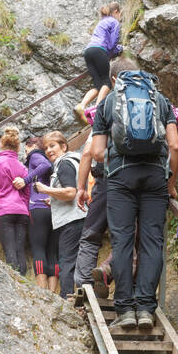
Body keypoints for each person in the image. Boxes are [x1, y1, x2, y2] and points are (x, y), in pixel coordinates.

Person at [90, 68, 178, 333]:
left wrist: (114, 161)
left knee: (123, 241)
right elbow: (174, 146)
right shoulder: (160, 100)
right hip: (155, 177)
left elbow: (96, 151)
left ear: (115, 79)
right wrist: (170, 185)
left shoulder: (108, 102)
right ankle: (145, 309)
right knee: (152, 241)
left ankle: (125, 309)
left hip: (121, 177)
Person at [39, 132, 86, 298]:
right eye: (46, 148)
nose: (49, 150)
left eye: (52, 146)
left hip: (72, 220)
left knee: (66, 259)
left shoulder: (64, 164)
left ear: (63, 146)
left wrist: (46, 189)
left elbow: (70, 192)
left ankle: (66, 297)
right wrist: (53, 199)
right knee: (77, 259)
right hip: (79, 216)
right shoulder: (74, 161)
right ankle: (79, 294)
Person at [0, 127, 30, 273]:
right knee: (20, 251)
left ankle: (15, 289)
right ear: (18, 147)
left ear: (2, 144)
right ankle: (25, 286)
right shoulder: (23, 167)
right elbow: (27, 191)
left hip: (4, 211)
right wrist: (25, 208)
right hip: (22, 212)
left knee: (10, 251)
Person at [73, 130, 111, 303]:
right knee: (127, 240)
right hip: (133, 182)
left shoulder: (103, 115)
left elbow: (88, 152)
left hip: (105, 180)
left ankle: (84, 287)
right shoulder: (155, 109)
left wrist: (81, 188)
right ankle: (125, 287)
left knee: (90, 237)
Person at [74, 1, 123, 123]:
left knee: (98, 85)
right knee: (108, 81)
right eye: (120, 14)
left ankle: (81, 105)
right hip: (100, 50)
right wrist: (120, 49)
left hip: (88, 51)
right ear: (116, 12)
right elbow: (112, 44)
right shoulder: (114, 21)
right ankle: (97, 109)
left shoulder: (102, 22)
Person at [23, 136, 57, 292]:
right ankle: (53, 294)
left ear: (33, 145)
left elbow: (44, 165)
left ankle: (43, 294)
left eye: (25, 150)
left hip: (37, 207)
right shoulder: (54, 160)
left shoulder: (35, 156)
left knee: (38, 249)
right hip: (53, 207)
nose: (25, 154)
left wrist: (26, 179)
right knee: (52, 251)